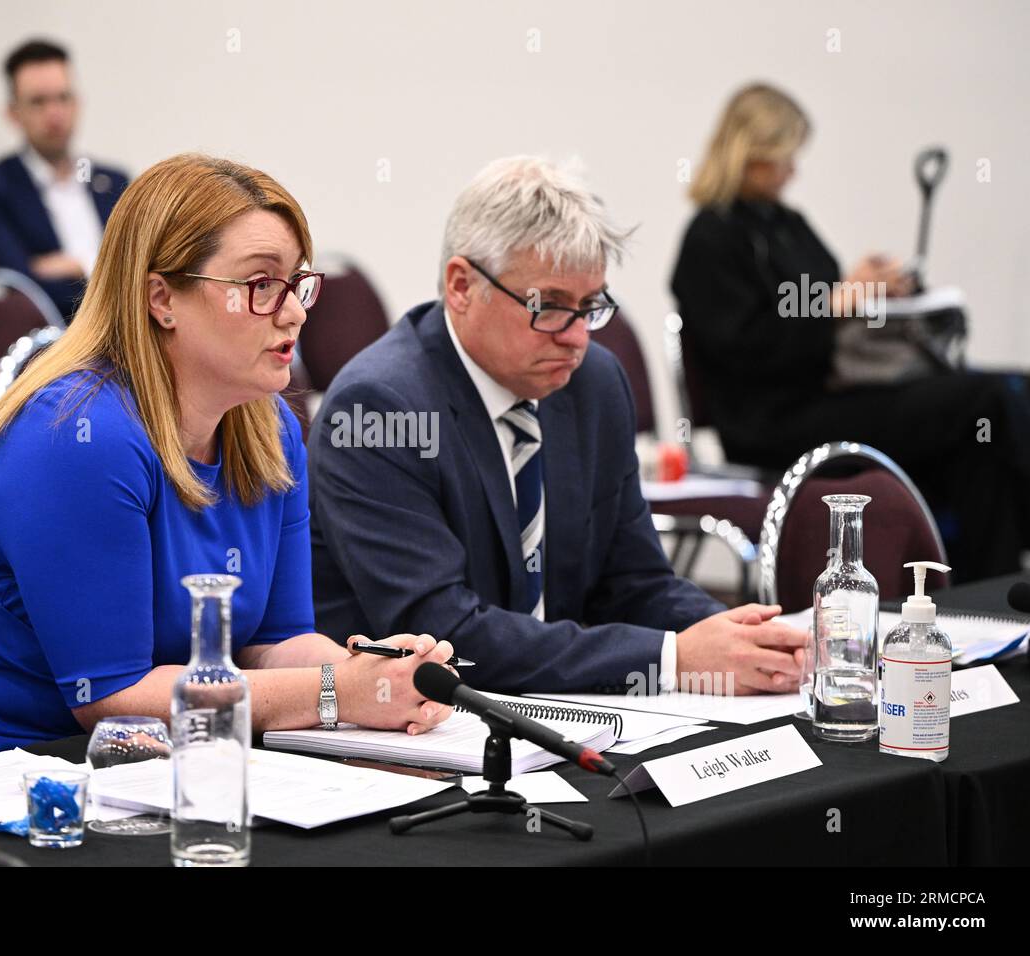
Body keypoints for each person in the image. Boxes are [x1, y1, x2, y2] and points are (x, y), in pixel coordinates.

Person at [0, 154, 453, 776]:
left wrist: (375, 676)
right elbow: (112, 700)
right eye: (261, 285)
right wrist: (336, 695)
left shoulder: (269, 429)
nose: (295, 311)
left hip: (137, 774)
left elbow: (273, 643)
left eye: (297, 283)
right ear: (161, 297)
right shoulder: (79, 436)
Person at [308, 156, 808, 697]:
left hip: (556, 711)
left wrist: (744, 640)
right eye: (548, 306)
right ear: (460, 285)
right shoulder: (378, 410)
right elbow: (445, 633)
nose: (576, 337)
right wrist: (674, 658)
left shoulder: (593, 384)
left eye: (590, 306)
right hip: (405, 731)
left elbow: (632, 582)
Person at [671, 82, 1030, 580]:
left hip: (835, 394)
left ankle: (992, 592)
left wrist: (869, 289)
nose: (792, 169)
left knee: (1000, 409)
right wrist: (835, 301)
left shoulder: (788, 223)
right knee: (984, 400)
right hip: (774, 419)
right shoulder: (711, 238)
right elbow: (746, 346)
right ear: (751, 153)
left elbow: (823, 298)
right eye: (784, 156)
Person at [0, 39, 130, 319]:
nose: (54, 114)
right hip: (52, 341)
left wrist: (82, 267)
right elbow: (21, 288)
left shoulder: (113, 181)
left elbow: (141, 268)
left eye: (63, 98)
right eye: (38, 102)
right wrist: (108, 275)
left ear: (77, 104)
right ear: (13, 114)